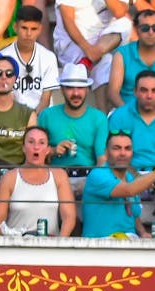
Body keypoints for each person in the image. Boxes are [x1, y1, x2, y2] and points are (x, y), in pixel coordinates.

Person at [108, 69, 155, 235]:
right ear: (135, 92)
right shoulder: (120, 116)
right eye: (143, 90)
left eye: (154, 90)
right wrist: (137, 178)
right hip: (129, 174)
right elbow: (115, 157)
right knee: (117, 188)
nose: (149, 95)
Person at [80, 130, 155, 237]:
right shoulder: (98, 175)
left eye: (127, 148)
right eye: (116, 148)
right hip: (102, 243)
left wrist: (143, 232)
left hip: (129, 241)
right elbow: (129, 190)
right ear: (106, 153)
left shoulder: (130, 178)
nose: (122, 153)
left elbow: (134, 214)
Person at [0, 126, 75, 236]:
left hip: (50, 246)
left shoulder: (59, 176)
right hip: (16, 246)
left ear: (48, 149)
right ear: (23, 148)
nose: (36, 147)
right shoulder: (9, 178)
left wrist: (59, 244)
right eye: (31, 142)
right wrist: (12, 241)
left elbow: (69, 217)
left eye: (41, 143)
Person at [53, 0, 133, 111]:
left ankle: (90, 60)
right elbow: (68, 20)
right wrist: (87, 48)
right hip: (74, 44)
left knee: (125, 23)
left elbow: (119, 12)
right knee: (106, 60)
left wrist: (93, 53)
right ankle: (103, 117)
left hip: (104, 41)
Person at [44, 63, 109, 194]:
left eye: (80, 88)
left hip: (89, 177)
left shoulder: (99, 118)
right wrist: (53, 150)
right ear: (61, 89)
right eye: (70, 88)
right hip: (54, 179)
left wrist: (91, 182)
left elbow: (102, 160)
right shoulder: (47, 115)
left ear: (87, 89)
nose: (75, 93)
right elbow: (36, 155)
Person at [0, 55, 37, 193]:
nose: (4, 77)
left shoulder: (28, 114)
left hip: (17, 176)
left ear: (15, 79)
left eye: (9, 74)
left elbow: (32, 152)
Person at [0, 6, 58, 112]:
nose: (29, 34)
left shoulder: (48, 57)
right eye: (24, 28)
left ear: (40, 29)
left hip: (41, 117)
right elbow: (7, 98)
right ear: (15, 27)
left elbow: (46, 99)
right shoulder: (3, 57)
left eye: (33, 29)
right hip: (13, 117)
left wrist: (33, 121)